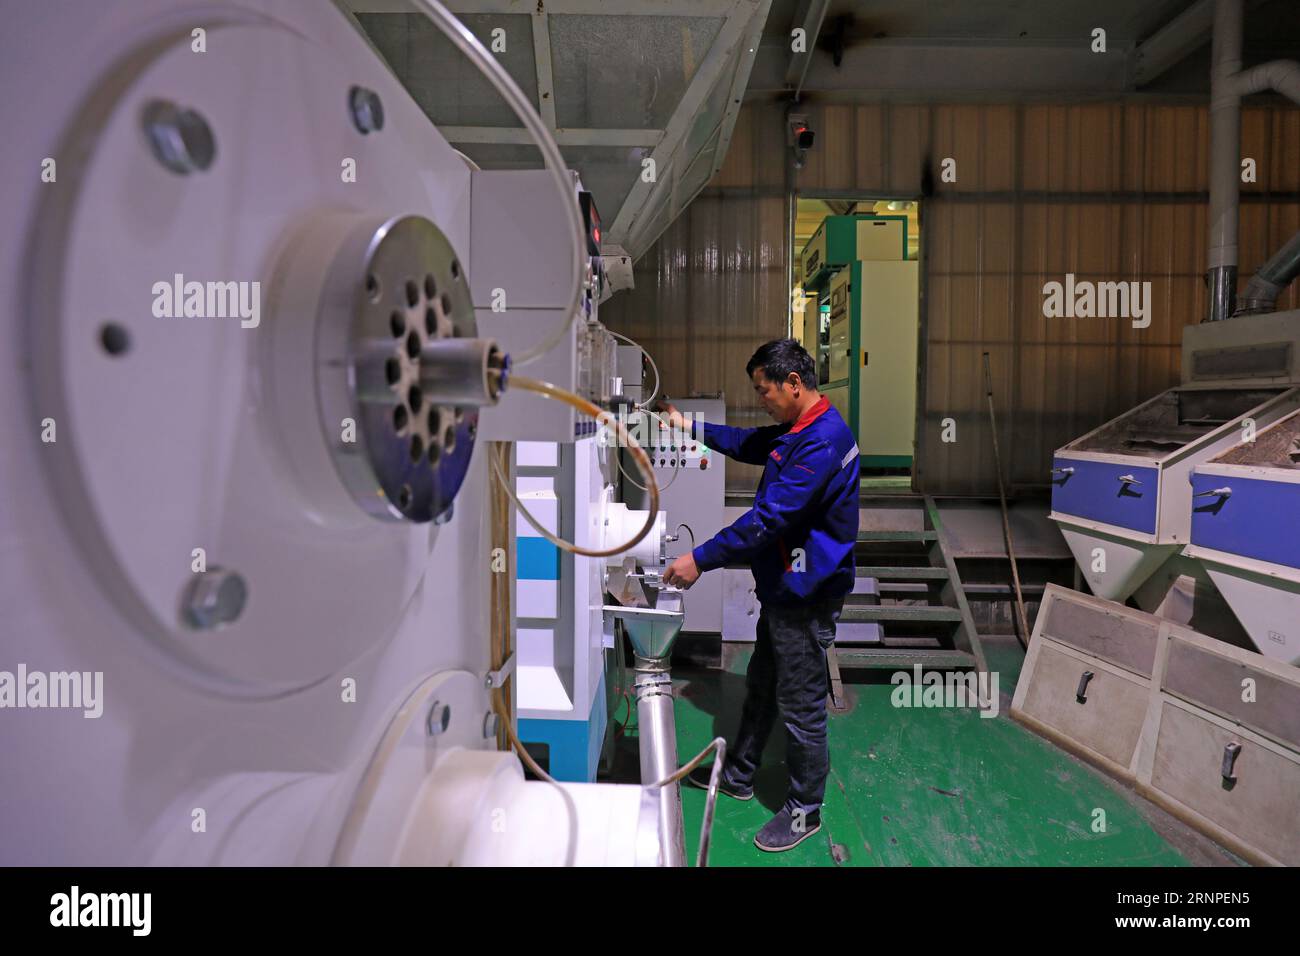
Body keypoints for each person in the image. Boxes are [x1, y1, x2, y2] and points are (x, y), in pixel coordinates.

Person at [658, 338, 859, 852]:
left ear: (794, 383)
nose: (761, 399)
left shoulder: (822, 442)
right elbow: (749, 442)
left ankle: (805, 808)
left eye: (764, 390)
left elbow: (769, 521)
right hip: (784, 588)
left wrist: (699, 559)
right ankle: (741, 775)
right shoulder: (801, 427)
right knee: (763, 681)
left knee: (801, 701)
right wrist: (691, 428)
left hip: (806, 593)